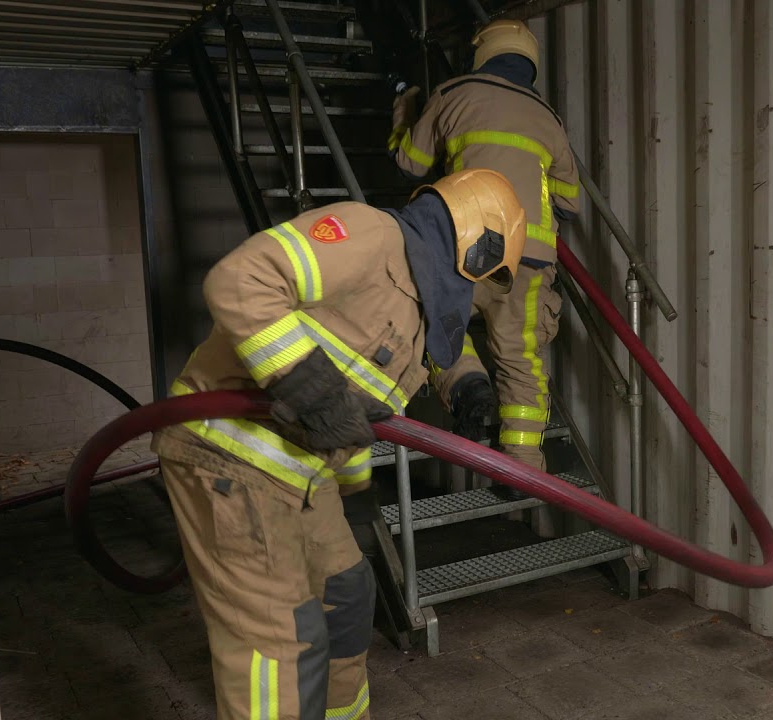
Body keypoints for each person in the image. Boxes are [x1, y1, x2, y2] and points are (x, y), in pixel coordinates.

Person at [153, 169, 525, 720]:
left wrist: (466, 385)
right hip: (229, 457)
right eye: (484, 280)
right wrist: (308, 384)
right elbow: (240, 280)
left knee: (347, 596)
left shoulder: (418, 299)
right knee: (281, 637)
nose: (474, 299)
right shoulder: (368, 233)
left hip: (303, 471)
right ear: (477, 246)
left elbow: (413, 357)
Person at [388, 19, 580, 481]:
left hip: (464, 246)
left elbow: (409, 163)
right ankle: (524, 470)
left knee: (431, 317)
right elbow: (571, 203)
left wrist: (403, 111)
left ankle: (467, 385)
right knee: (520, 356)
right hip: (530, 259)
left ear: (483, 53)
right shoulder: (548, 118)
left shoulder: (454, 94)